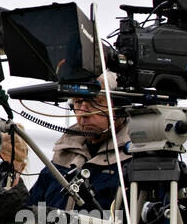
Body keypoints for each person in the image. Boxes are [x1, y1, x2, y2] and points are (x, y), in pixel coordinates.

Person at [23, 83, 131, 212]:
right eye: (78, 102)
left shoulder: (138, 154)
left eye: (94, 101)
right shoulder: (63, 153)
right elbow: (27, 213)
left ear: (119, 107)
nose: (83, 112)